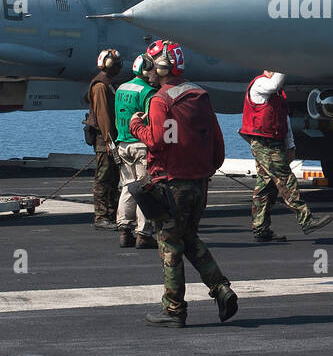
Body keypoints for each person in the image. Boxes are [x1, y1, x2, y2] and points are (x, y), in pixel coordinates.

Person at [129, 40, 237, 327]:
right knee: (188, 237)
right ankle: (220, 288)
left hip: (170, 183)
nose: (147, 69)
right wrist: (204, 172)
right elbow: (217, 142)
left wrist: (135, 125)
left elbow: (156, 140)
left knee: (170, 245)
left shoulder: (160, 100)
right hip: (199, 183)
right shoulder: (200, 95)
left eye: (150, 64)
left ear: (160, 67)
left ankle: (174, 310)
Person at [240, 70, 333, 242]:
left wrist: (290, 145)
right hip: (263, 142)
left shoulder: (277, 94)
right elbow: (273, 84)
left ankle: (261, 229)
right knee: (285, 180)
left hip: (274, 141)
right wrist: (284, 66)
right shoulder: (260, 85)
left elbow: (285, 122)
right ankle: (306, 220)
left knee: (266, 186)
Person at [113, 53, 159, 249]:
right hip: (141, 145)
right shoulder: (148, 92)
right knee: (145, 189)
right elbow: (151, 120)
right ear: (147, 70)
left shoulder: (121, 88)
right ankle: (144, 234)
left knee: (127, 186)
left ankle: (124, 230)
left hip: (123, 143)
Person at [84, 49, 122, 230]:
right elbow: (103, 115)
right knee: (103, 178)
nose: (119, 66)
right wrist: (109, 140)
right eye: (116, 62)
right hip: (104, 139)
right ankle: (101, 217)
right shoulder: (100, 86)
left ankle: (111, 213)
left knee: (113, 178)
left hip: (108, 138)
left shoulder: (108, 83)